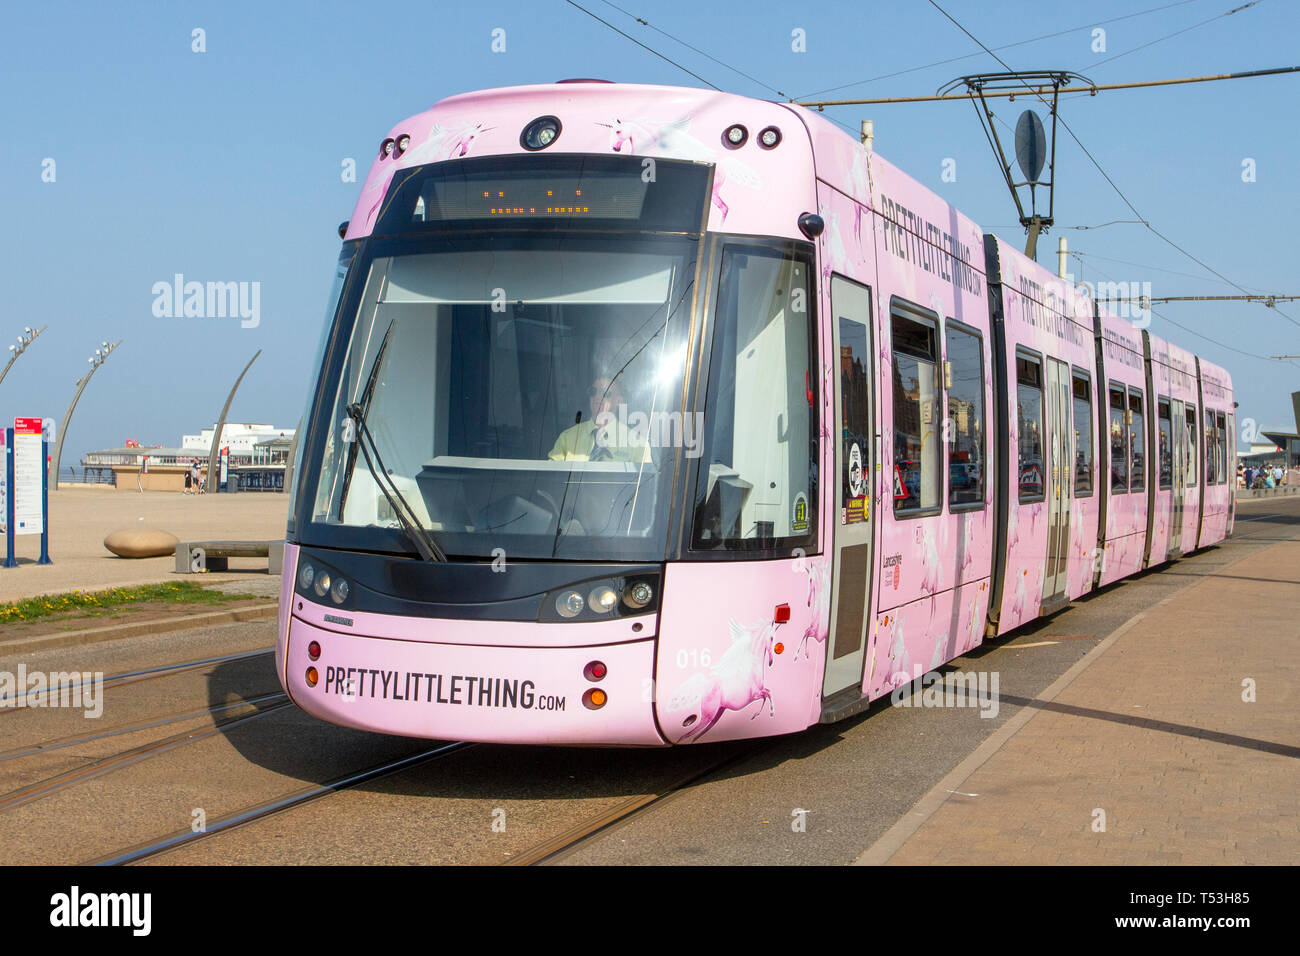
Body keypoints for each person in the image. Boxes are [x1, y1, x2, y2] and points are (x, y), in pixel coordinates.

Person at [548, 376, 650, 463]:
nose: (597, 396)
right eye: (593, 391)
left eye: (605, 392)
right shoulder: (567, 438)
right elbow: (549, 479)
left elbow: (645, 484)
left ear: (619, 401)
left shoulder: (638, 445)